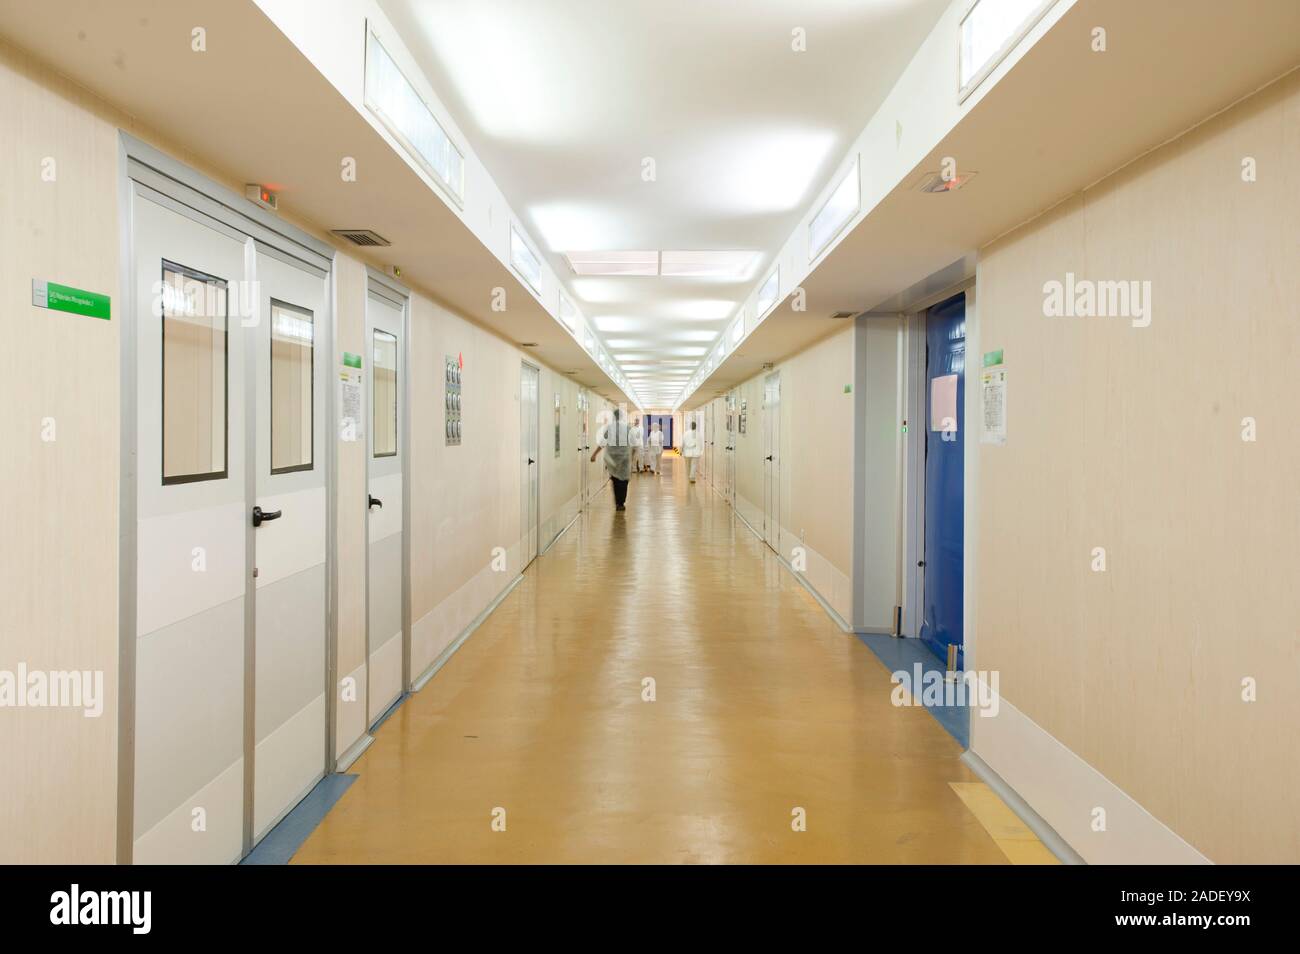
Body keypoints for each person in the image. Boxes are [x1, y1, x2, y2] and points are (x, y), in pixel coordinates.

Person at [591, 408, 632, 511]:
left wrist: (594, 454)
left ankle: (618, 503)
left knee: (616, 481)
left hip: (613, 459)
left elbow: (603, 442)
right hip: (624, 459)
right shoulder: (627, 427)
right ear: (622, 417)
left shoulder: (610, 428)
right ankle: (621, 503)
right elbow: (633, 443)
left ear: (614, 416)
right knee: (624, 481)